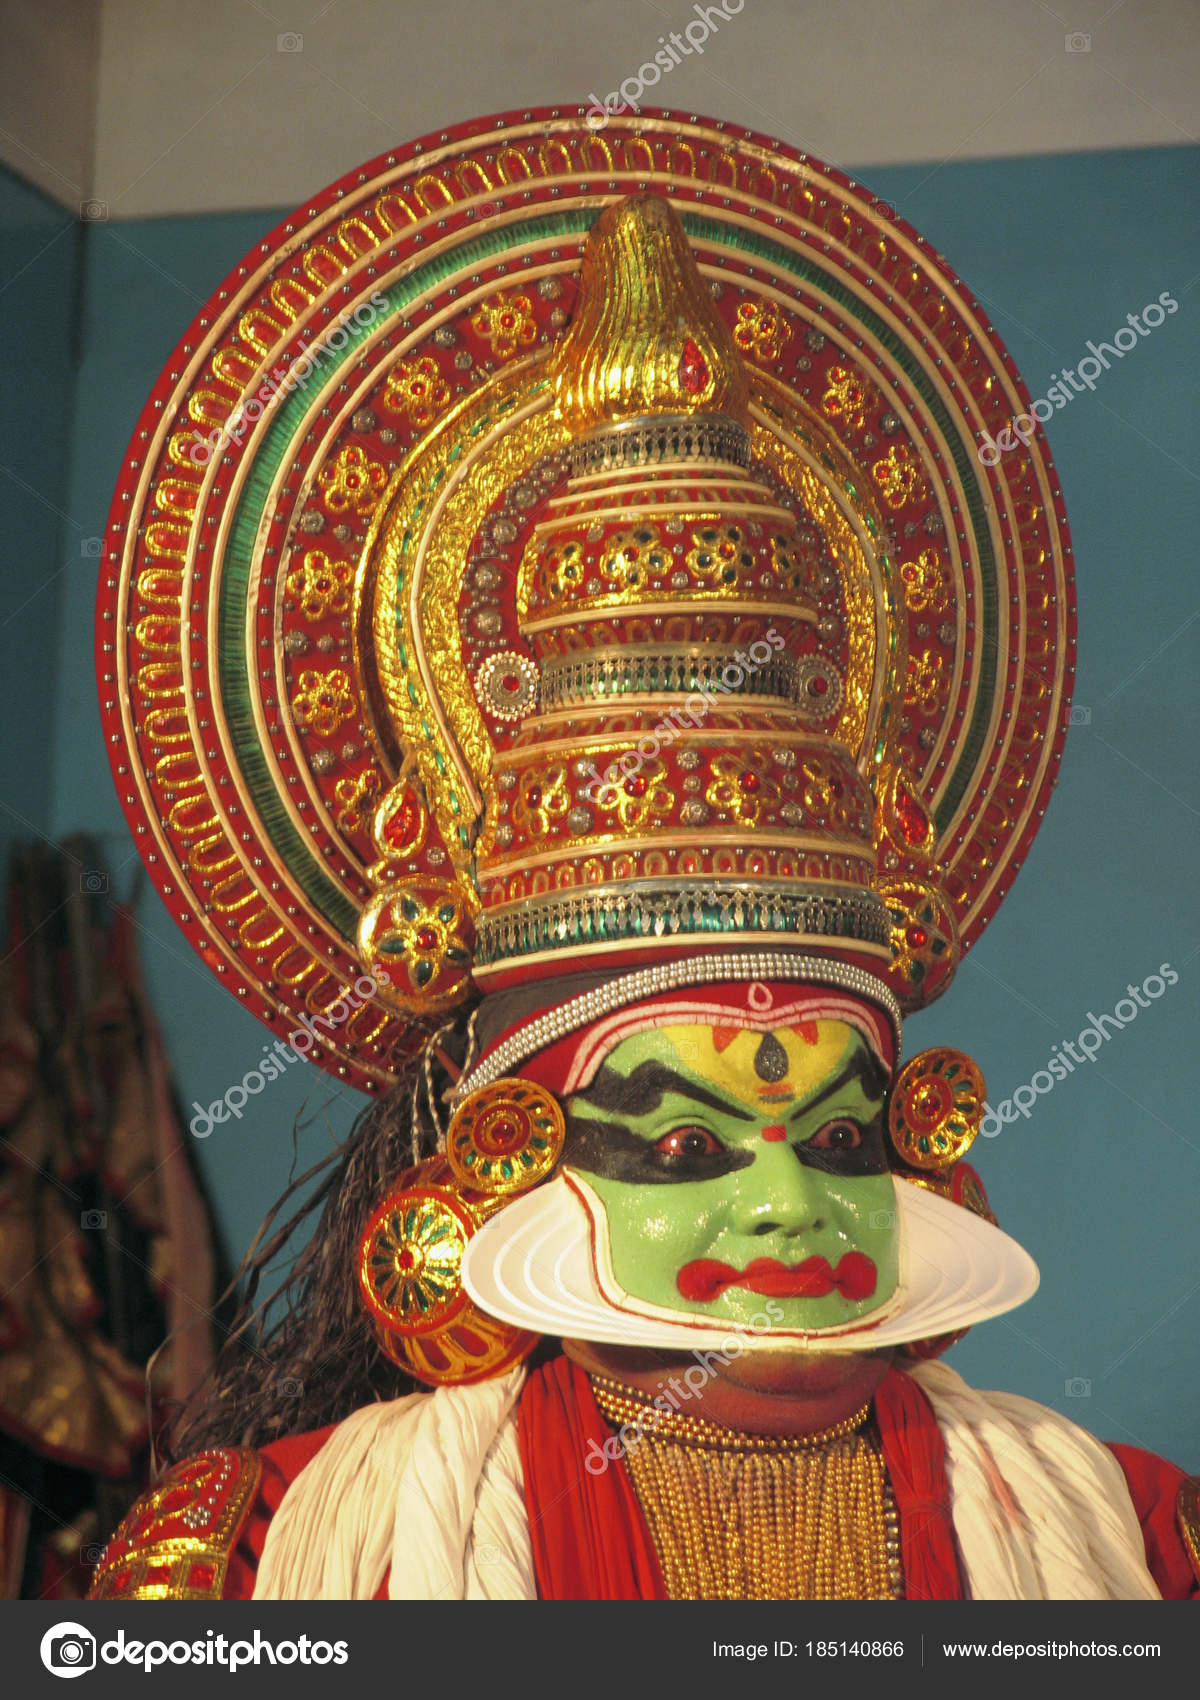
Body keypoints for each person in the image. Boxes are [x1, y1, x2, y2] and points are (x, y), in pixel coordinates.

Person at [87, 111, 1199, 1601]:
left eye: (843, 1138)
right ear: (505, 1154)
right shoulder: (264, 1553)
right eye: (682, 1148)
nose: (790, 1209)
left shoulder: (1129, 1535)